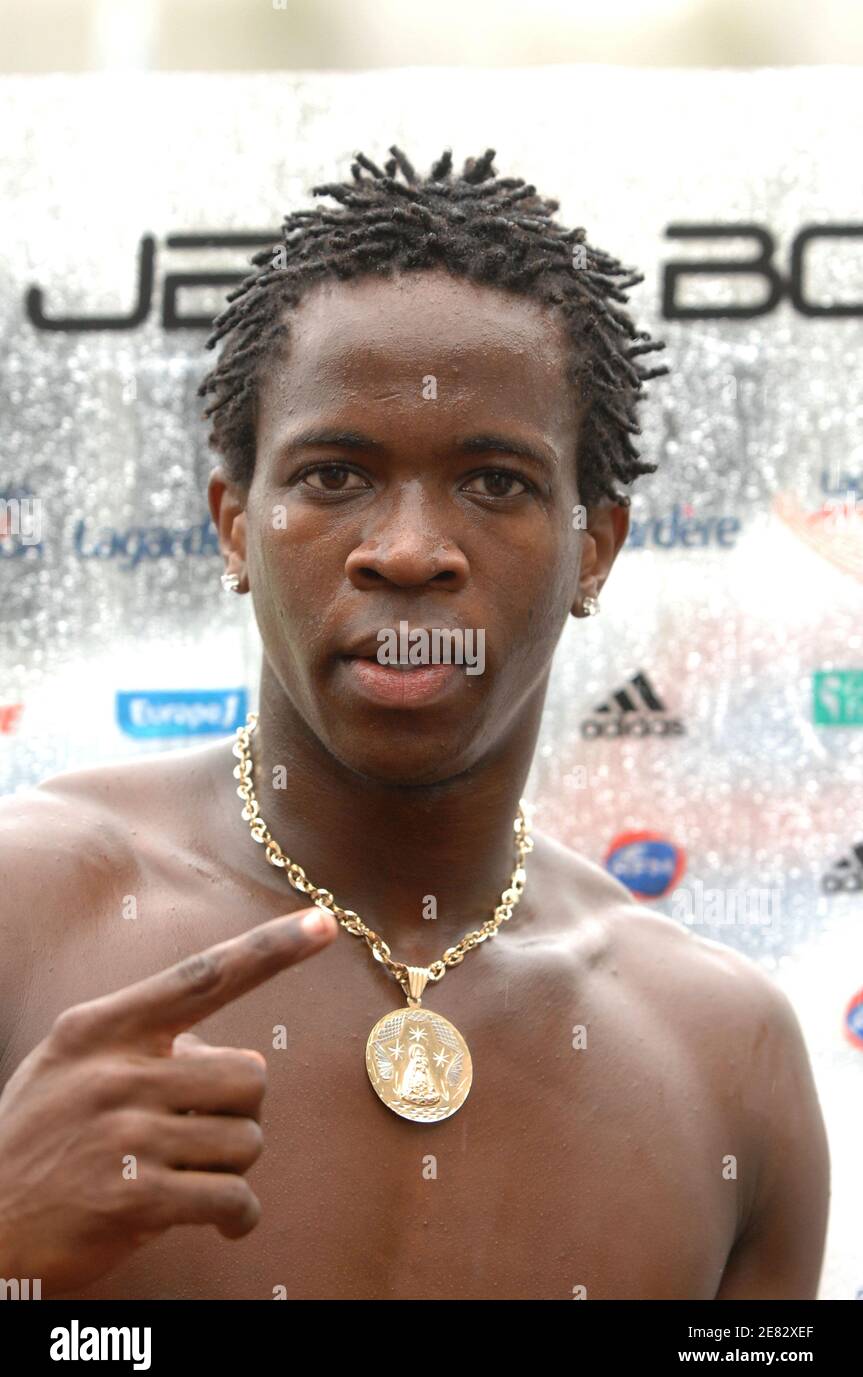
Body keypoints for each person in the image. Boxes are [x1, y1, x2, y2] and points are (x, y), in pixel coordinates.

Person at [0, 145, 829, 1300]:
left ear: (594, 547)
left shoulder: (726, 1061)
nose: (405, 549)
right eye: (335, 474)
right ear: (235, 526)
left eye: (493, 481)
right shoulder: (28, 913)